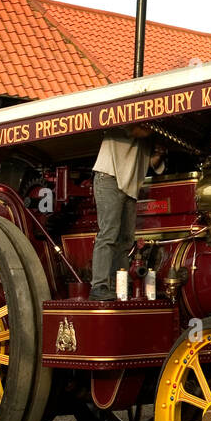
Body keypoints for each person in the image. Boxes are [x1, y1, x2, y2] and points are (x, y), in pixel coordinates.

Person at [88, 126, 167, 301]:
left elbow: (151, 163)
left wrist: (159, 153)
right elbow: (137, 131)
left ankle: (120, 287)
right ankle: (99, 286)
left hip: (129, 186)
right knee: (108, 234)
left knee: (125, 240)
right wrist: (161, 129)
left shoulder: (148, 132)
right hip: (109, 177)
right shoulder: (127, 117)